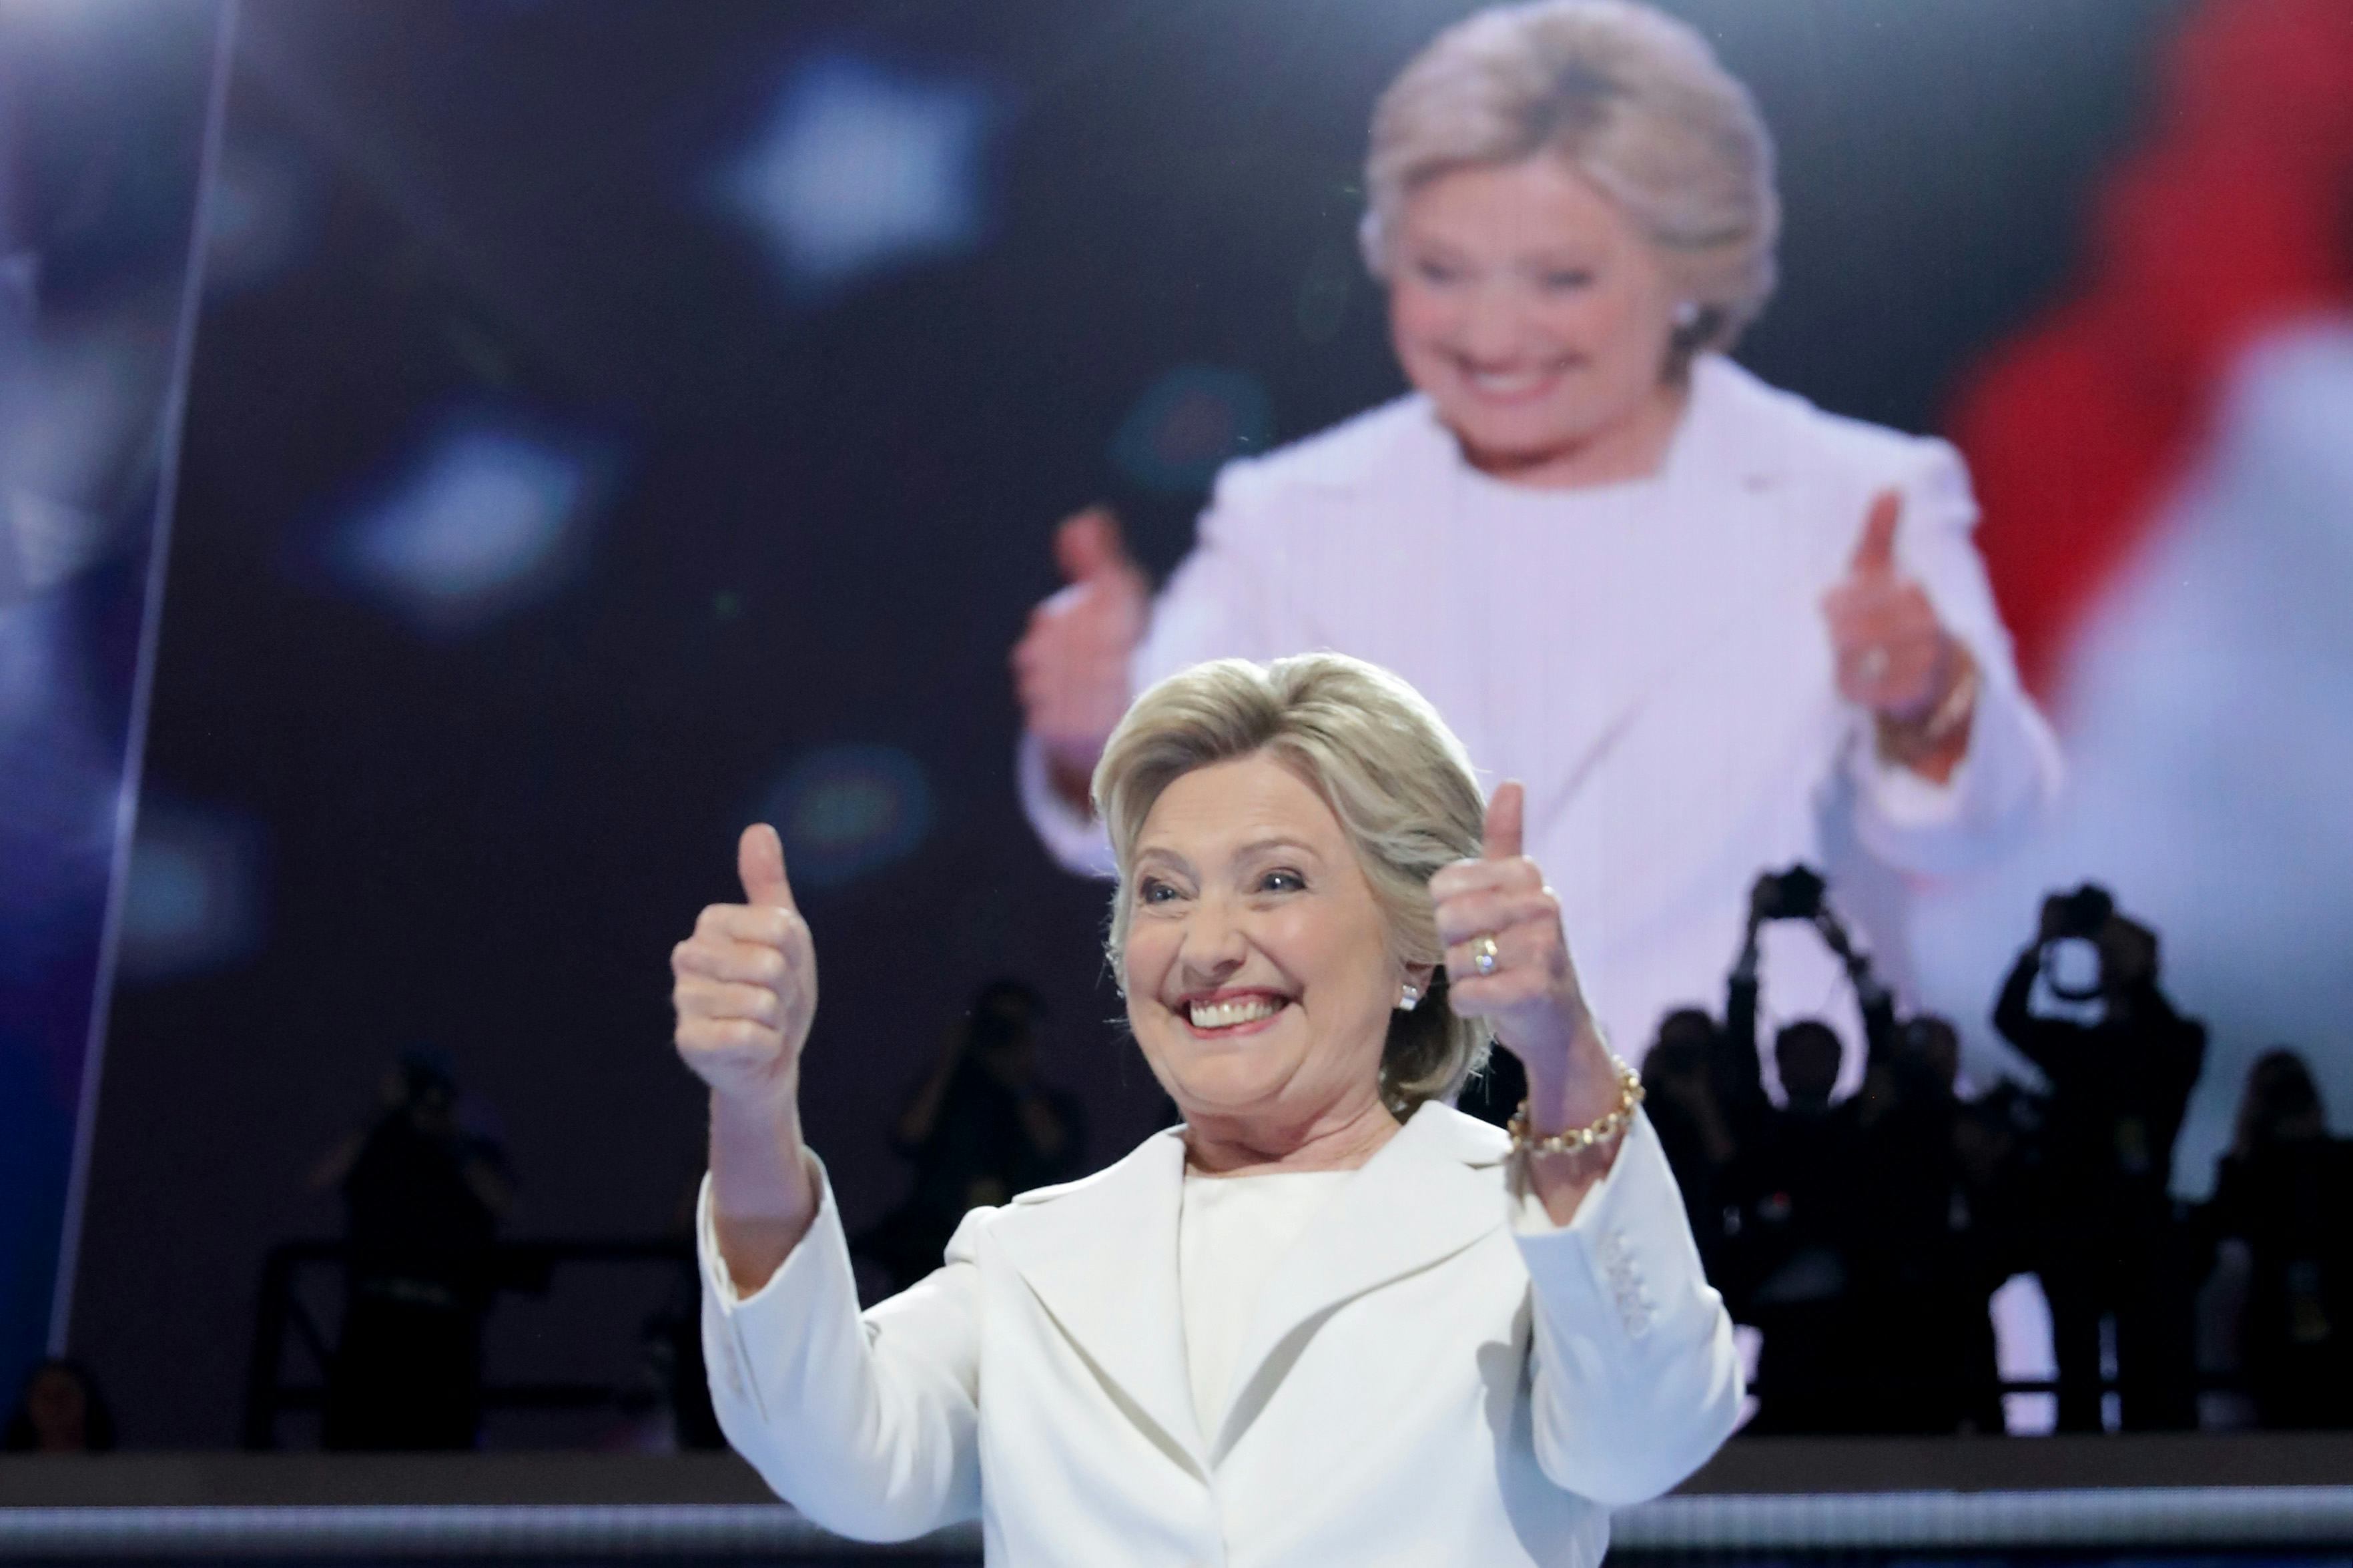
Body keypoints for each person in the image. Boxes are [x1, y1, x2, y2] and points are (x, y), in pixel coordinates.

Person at [1010, 0, 2060, 1068]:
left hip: (1757, 1150)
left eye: (1561, 279)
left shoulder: (1859, 500)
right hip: (1407, 1155)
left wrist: (1929, 707)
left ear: (1692, 269)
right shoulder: (1283, 517)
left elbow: (1978, 832)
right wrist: (1085, 742)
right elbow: (1162, 840)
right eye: (1440, 272)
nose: (1492, 333)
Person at [673, 654, 1740, 1563]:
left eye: (1275, 881)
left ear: (1418, 940)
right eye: (1164, 889)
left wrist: (1560, 1051)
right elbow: (838, 1456)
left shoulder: (1523, 1233)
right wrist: (753, 1101)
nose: (1205, 943)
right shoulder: (1030, 1260)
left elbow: (1641, 1439)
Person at [1993, 889, 2205, 1431]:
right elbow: (2010, 1018)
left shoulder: (2178, 1041)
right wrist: (2040, 947)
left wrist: (2132, 970)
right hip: (2073, 1226)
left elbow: (2162, 1047)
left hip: (2139, 1230)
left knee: (2149, 1371)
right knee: (2077, 1374)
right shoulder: (2079, 1050)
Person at [311, 1049, 512, 1451]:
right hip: (376, 1315)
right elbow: (320, 1181)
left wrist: (449, 1137)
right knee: (357, 1445)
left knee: (441, 1444)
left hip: (444, 1321)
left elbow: (501, 1201)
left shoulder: (468, 1140)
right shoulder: (380, 1141)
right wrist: (379, 1116)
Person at [852, 979, 1088, 1295]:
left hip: (1019, 1247)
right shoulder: (948, 1094)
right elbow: (908, 1136)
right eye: (994, 1024)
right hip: (933, 1244)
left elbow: (1057, 1151)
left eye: (1015, 1026)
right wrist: (948, 1058)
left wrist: (1020, 1078)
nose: (1002, 1034)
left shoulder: (1050, 1103)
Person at [2203, 1050, 2353, 1429]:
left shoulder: (2339, 1162)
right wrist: (2245, 1145)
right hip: (2273, 1326)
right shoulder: (2254, 1170)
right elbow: (2221, 1226)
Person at [3, 1358, 115, 1451]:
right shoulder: (7, 1471)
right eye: (44, 1395)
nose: (55, 1404)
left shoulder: (121, 1470)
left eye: (65, 1394)